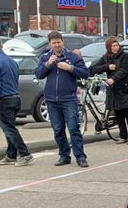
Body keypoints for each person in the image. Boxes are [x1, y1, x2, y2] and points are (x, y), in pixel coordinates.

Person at [35, 30, 90, 167]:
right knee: (58, 129)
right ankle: (64, 155)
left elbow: (85, 73)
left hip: (69, 98)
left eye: (58, 42)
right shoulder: (45, 57)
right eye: (54, 43)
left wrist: (70, 68)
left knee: (73, 128)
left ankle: (80, 157)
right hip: (52, 99)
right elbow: (39, 74)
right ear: (50, 44)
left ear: (62, 42)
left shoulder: (72, 57)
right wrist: (48, 64)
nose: (57, 45)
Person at [0, 36, 32, 167]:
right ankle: (11, 155)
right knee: (10, 127)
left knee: (9, 129)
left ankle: (24, 154)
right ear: (1, 45)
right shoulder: (11, 61)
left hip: (3, 99)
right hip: (15, 97)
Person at [89, 37, 128, 145]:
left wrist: (113, 78)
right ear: (109, 47)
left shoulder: (124, 56)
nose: (115, 47)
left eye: (117, 45)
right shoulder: (106, 57)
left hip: (125, 88)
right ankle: (123, 136)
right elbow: (94, 68)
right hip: (113, 90)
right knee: (118, 113)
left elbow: (124, 70)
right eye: (113, 46)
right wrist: (107, 67)